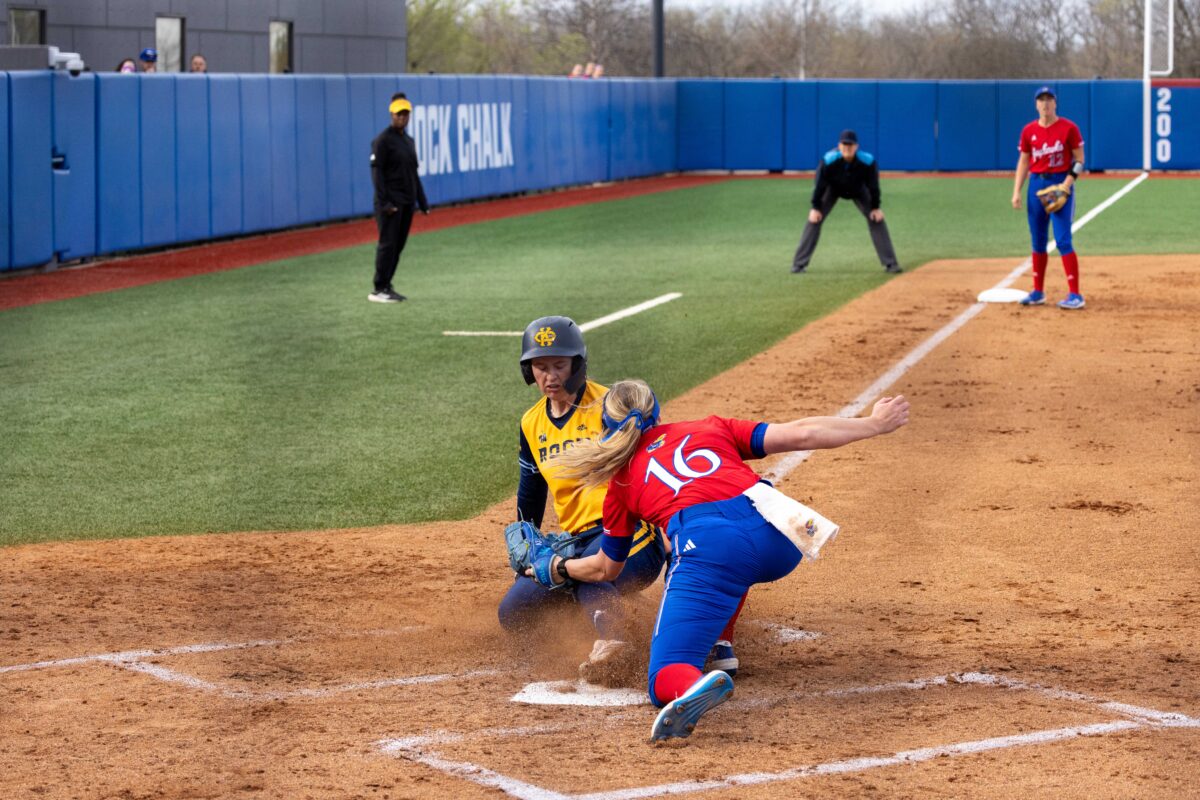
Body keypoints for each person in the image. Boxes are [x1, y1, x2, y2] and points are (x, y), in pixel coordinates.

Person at [544, 379, 910, 740]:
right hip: (781, 534)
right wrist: (873, 424)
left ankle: (695, 681)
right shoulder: (708, 427)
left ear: (607, 426)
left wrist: (557, 567)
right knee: (722, 556)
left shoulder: (620, 482)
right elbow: (801, 433)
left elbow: (606, 568)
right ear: (655, 413)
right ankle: (721, 644)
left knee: (663, 680)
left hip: (713, 550)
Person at [500, 317, 667, 679]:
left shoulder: (610, 406)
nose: (550, 376)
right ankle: (623, 610)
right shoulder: (531, 422)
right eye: (540, 367)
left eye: (559, 365)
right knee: (515, 610)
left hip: (629, 535)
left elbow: (652, 466)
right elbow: (530, 491)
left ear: (577, 364)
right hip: (577, 543)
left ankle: (618, 645)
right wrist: (527, 554)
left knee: (589, 578)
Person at [1012, 86, 1087, 310]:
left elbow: (1080, 160)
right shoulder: (1028, 131)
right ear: (1036, 104)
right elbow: (1024, 161)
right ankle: (1038, 291)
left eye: (1049, 99)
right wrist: (1016, 190)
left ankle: (1075, 294)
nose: (1045, 104)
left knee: (1063, 240)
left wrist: (1066, 185)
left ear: (1055, 103)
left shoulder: (1069, 128)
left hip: (1060, 184)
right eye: (1041, 100)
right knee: (1038, 241)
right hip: (1036, 185)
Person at [791, 129, 901, 275]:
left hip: (858, 190)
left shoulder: (867, 162)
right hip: (833, 188)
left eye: (850, 145)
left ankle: (891, 263)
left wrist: (876, 207)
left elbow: (873, 186)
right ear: (839, 145)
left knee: (876, 219)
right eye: (844, 144)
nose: (847, 148)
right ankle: (798, 265)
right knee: (814, 220)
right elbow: (819, 185)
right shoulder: (829, 160)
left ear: (856, 147)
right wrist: (815, 207)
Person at [368, 93, 429, 303]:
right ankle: (379, 287)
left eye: (405, 114)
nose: (401, 118)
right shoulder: (382, 141)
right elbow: (377, 174)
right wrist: (385, 202)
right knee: (388, 244)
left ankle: (387, 284)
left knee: (398, 246)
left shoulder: (408, 141)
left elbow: (413, 173)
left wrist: (422, 201)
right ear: (391, 114)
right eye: (398, 114)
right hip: (390, 204)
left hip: (406, 202)